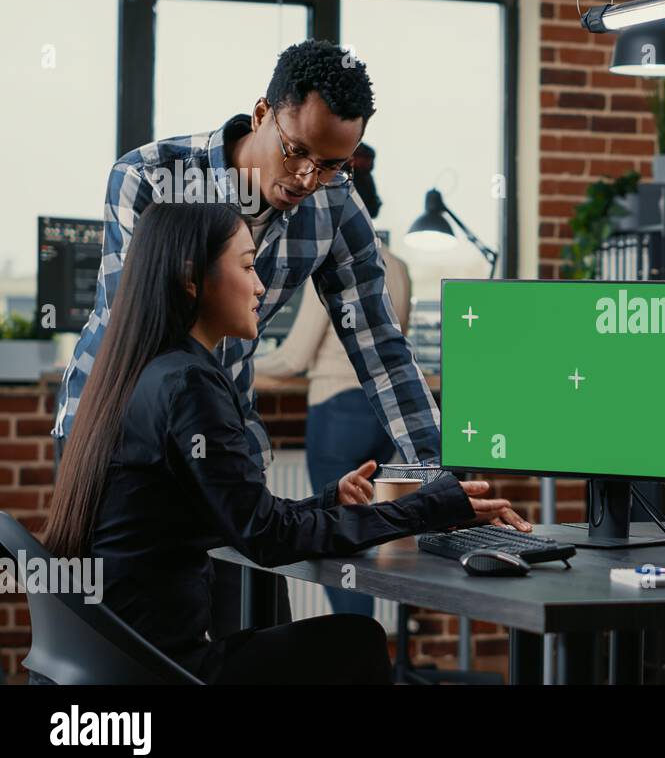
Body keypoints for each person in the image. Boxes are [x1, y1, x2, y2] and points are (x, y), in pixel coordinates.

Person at [51, 40, 504, 639]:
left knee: (257, 627)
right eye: (296, 152)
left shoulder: (334, 204)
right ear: (263, 113)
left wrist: (448, 481)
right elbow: (135, 330)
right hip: (113, 429)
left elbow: (381, 350)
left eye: (333, 164)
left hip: (219, 427)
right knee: (133, 637)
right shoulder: (153, 176)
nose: (307, 178)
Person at [42, 201, 526, 684]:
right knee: (359, 641)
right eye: (248, 266)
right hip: (164, 671)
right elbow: (265, 538)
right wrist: (429, 508)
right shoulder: (189, 384)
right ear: (192, 278)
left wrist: (328, 501)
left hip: (112, 662)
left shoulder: (135, 372)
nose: (260, 286)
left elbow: (241, 516)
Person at [255, 143, 416, 618]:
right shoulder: (400, 268)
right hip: (379, 418)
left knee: (334, 546)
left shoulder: (328, 260)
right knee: (363, 540)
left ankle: (353, 653)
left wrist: (238, 360)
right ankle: (363, 649)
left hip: (337, 414)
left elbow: (296, 357)